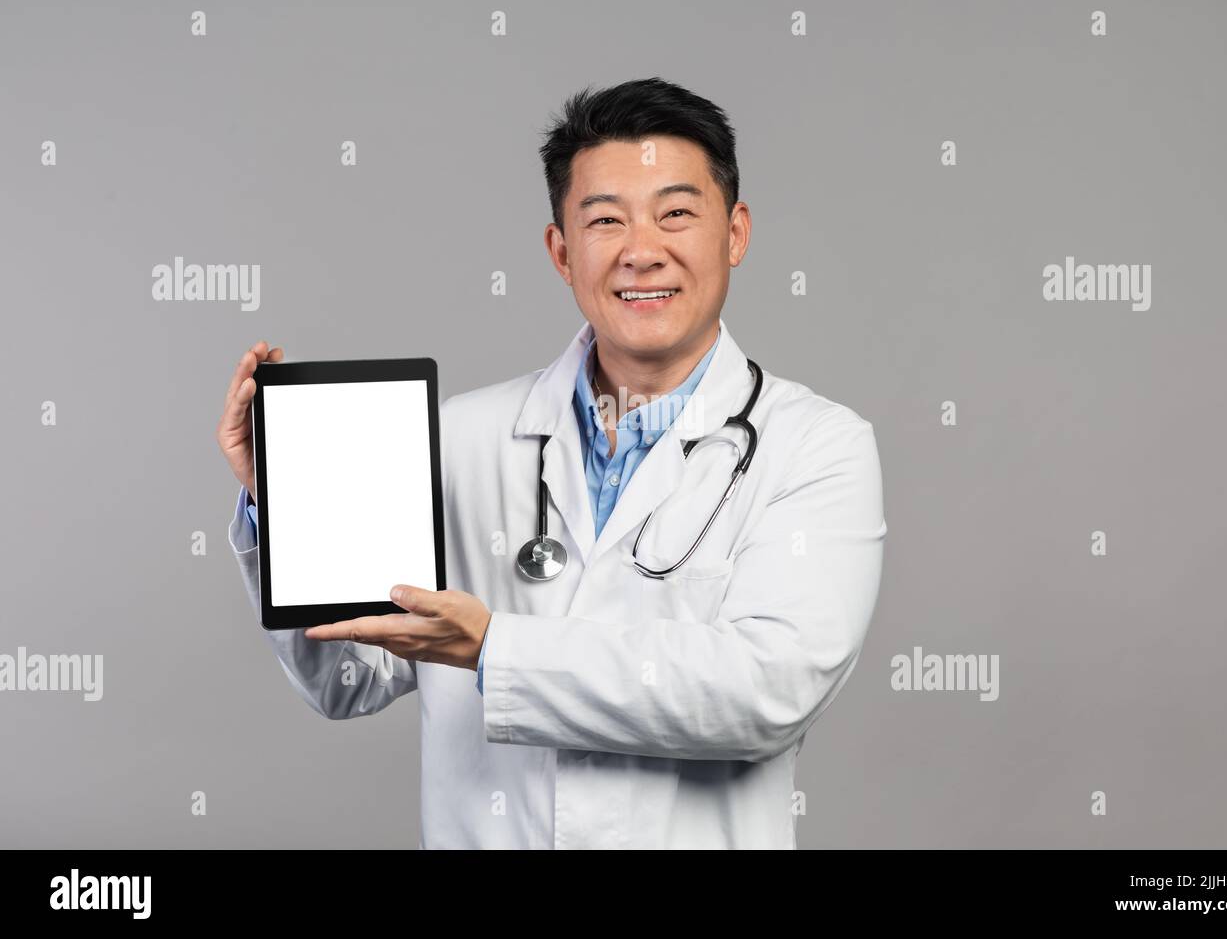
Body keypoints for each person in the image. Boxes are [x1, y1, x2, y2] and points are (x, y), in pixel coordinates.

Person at [216, 77, 886, 848]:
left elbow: (768, 690)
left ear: (734, 234)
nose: (642, 252)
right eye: (606, 220)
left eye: (675, 214)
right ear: (562, 252)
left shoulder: (815, 446)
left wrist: (495, 647)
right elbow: (347, 681)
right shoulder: (459, 438)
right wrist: (292, 510)